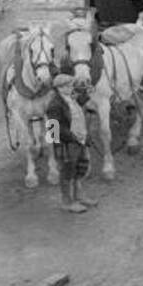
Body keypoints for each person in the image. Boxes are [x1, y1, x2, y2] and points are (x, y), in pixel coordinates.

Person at [46, 73, 93, 214]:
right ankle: (67, 202)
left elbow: (78, 106)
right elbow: (53, 129)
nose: (70, 87)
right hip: (67, 144)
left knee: (80, 168)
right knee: (67, 172)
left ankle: (79, 196)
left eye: (70, 85)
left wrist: (87, 93)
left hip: (79, 140)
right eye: (67, 86)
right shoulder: (54, 105)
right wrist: (68, 139)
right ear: (59, 88)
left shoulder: (70, 99)